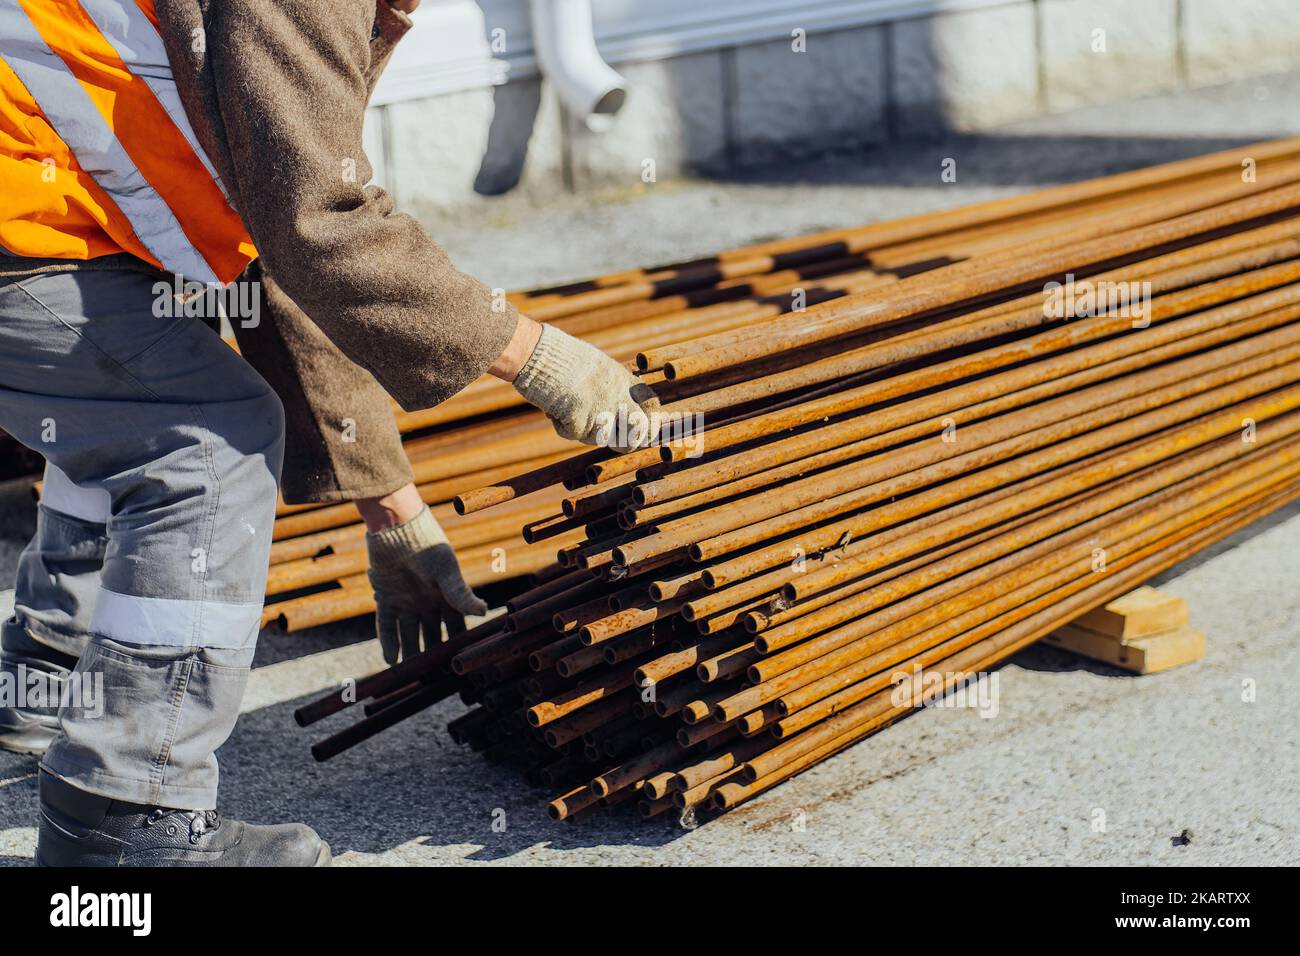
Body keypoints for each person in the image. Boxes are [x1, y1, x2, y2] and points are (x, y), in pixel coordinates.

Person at [0, 0, 656, 866]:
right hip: (26, 229)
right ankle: (127, 820)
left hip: (47, 216)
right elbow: (319, 225)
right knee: (204, 444)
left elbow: (273, 246)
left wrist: (395, 512)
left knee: (133, 401)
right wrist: (536, 358)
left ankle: (43, 681)